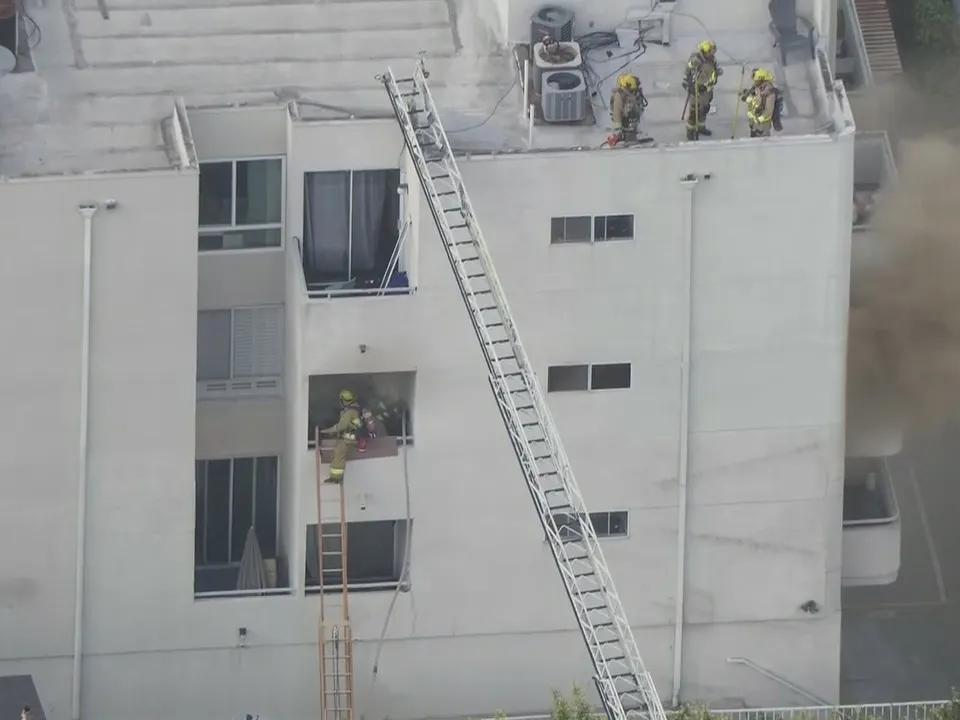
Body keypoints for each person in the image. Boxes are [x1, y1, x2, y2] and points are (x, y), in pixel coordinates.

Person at [320, 389, 363, 483]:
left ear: (343, 400)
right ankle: (335, 477)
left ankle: (335, 478)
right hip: (350, 438)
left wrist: (326, 431)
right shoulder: (352, 411)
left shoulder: (349, 412)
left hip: (350, 439)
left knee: (339, 454)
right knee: (337, 453)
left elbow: (341, 426)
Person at [683, 40, 722, 140]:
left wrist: (718, 71)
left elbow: (719, 70)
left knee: (704, 110)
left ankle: (701, 127)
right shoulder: (696, 60)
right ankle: (690, 131)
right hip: (697, 90)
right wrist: (689, 85)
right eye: (711, 51)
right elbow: (688, 72)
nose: (713, 54)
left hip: (707, 90)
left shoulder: (712, 59)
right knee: (694, 112)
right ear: (706, 51)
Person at [741, 68, 781, 138]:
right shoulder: (758, 88)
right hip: (755, 124)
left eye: (756, 81)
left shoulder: (769, 91)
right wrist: (747, 98)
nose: (755, 82)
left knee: (763, 144)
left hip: (763, 125)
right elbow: (755, 101)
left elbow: (769, 110)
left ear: (761, 79)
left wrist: (759, 119)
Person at [609, 73, 646, 145]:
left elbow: (640, 108)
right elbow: (617, 112)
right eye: (631, 90)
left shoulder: (636, 94)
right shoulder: (619, 95)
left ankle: (634, 134)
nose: (633, 92)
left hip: (634, 123)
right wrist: (618, 129)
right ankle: (625, 136)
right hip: (624, 123)